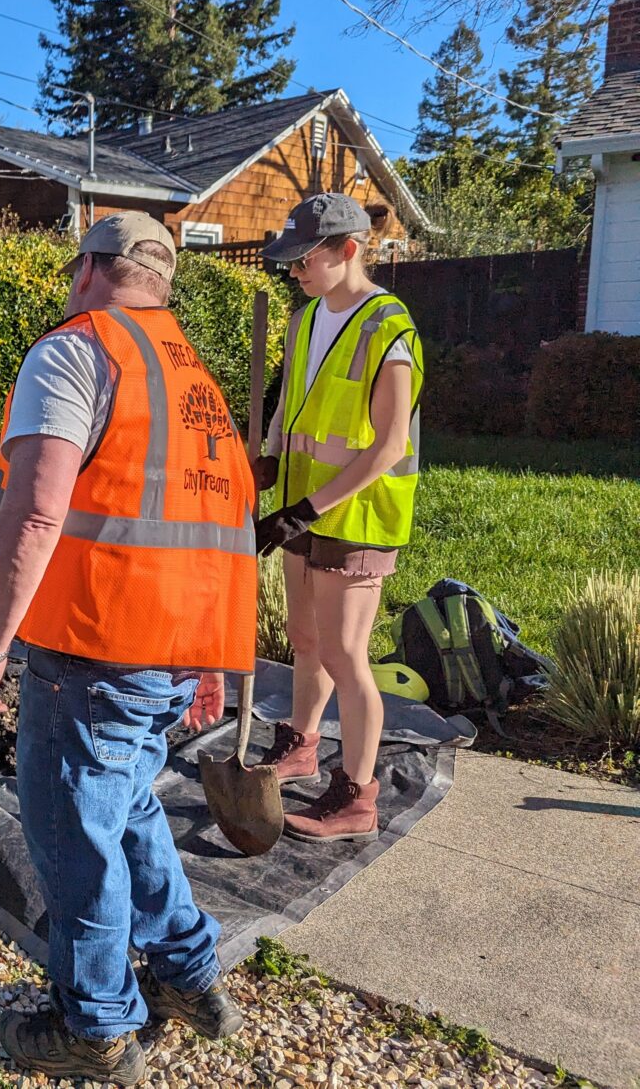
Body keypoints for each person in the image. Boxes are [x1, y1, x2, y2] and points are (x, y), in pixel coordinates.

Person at [0, 213, 258, 1086]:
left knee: (72, 833)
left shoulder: (73, 352)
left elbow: (38, 508)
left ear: (89, 269)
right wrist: (212, 656)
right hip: (166, 652)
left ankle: (94, 1024)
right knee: (126, 808)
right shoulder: (191, 376)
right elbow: (222, 524)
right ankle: (190, 975)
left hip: (93, 648)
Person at [253, 194, 424, 843]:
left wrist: (304, 509)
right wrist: (269, 461)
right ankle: (300, 745)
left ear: (348, 250)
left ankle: (357, 795)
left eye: (305, 259)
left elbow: (386, 445)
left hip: (355, 517)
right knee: (305, 637)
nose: (294, 271)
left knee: (348, 654)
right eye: (290, 262)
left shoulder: (388, 327)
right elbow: (286, 401)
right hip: (298, 509)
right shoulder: (302, 320)